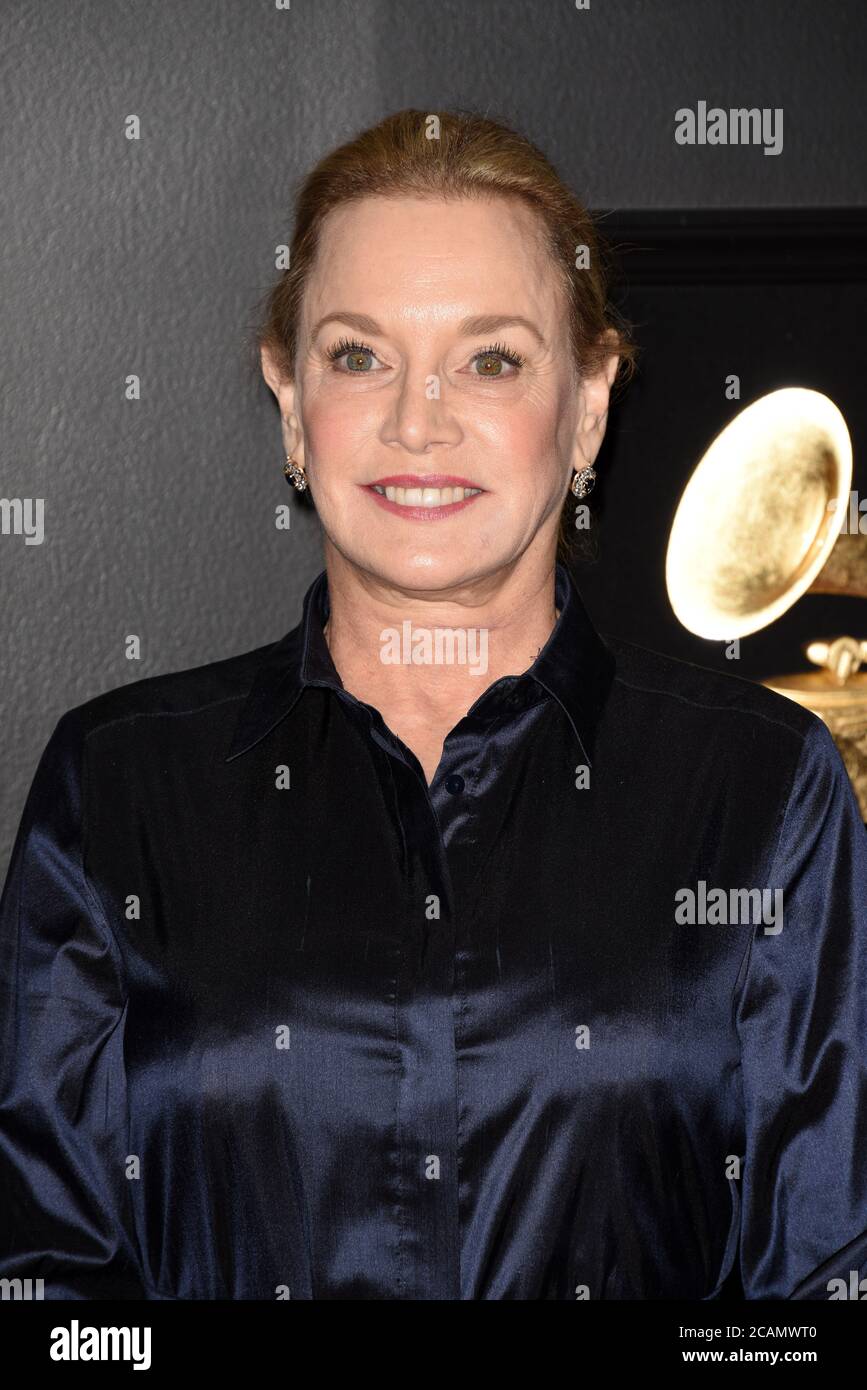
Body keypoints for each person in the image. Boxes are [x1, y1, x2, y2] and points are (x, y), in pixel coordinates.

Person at [1, 108, 866, 1301]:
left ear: (593, 404)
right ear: (292, 400)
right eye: (359, 355)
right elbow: (48, 1291)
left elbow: (821, 1282)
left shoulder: (767, 784)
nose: (419, 420)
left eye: (493, 359)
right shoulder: (117, 781)